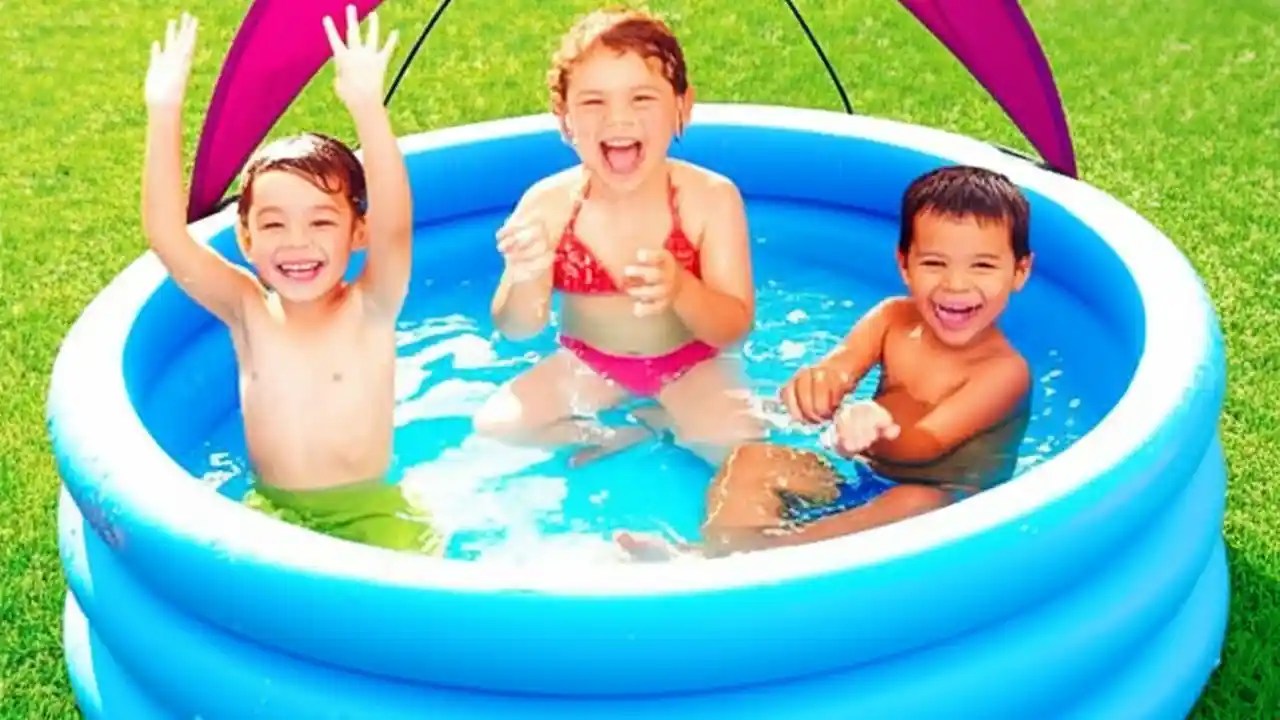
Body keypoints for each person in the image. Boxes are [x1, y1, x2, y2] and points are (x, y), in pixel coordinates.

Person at [617, 164, 1035, 560]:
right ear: (904, 264)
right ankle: (718, 552)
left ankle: (738, 560)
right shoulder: (892, 319)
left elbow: (924, 445)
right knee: (752, 460)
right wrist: (816, 386)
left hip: (943, 499)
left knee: (917, 502)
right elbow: (838, 368)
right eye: (934, 263)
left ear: (1019, 271)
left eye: (982, 266)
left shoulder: (1004, 372)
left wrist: (876, 427)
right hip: (863, 479)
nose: (956, 285)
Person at [142, 9, 442, 554]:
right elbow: (167, 235)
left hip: (371, 512)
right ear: (247, 237)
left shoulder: (371, 306)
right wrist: (165, 112)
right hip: (273, 512)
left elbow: (396, 226)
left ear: (357, 232)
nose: (297, 243)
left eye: (321, 221)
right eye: (274, 224)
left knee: (414, 627)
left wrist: (367, 109)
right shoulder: (247, 310)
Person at [472, 7, 765, 468]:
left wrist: (682, 290)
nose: (618, 119)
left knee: (740, 445)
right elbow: (516, 328)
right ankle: (632, 429)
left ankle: (666, 419)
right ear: (563, 118)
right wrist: (527, 275)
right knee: (499, 426)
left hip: (692, 364)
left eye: (641, 98)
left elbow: (733, 326)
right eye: (593, 102)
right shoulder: (548, 204)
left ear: (682, 108)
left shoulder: (708, 198)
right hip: (591, 365)